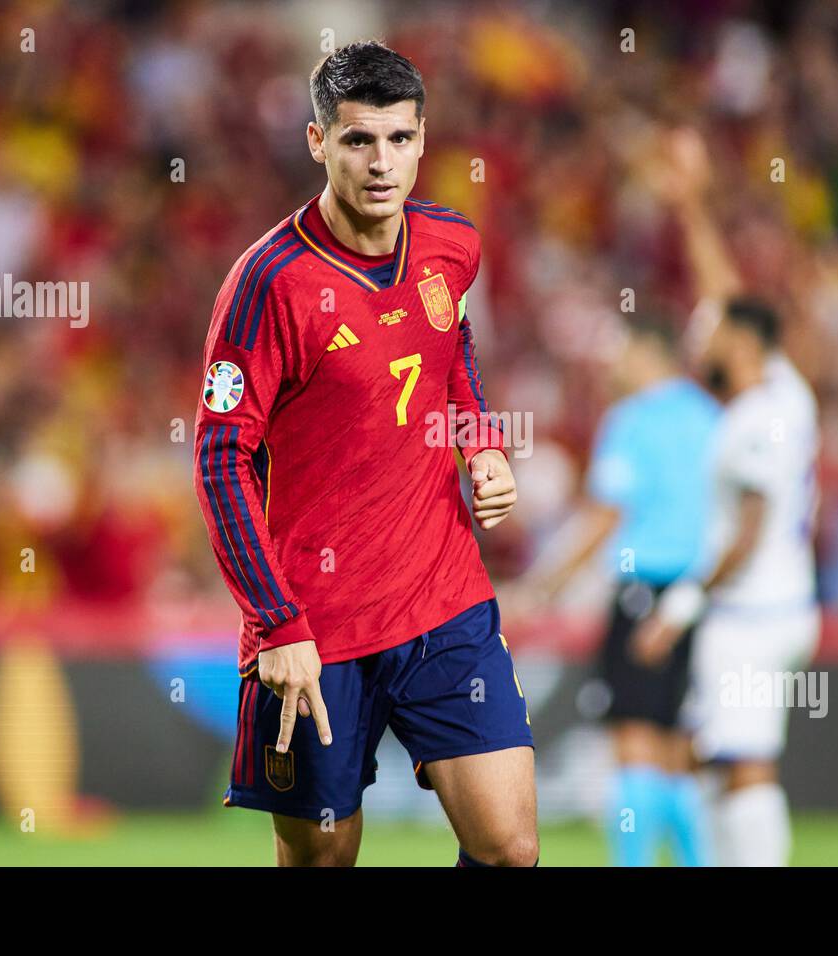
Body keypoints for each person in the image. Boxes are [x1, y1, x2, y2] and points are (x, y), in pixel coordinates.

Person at [192, 40, 536, 867]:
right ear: (319, 143)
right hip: (315, 625)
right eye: (357, 141)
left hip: (441, 598)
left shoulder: (452, 244)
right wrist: (276, 623)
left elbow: (452, 343)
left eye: (398, 140)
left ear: (423, 139)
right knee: (322, 860)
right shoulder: (267, 285)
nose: (381, 163)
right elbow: (219, 459)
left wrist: (480, 440)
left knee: (511, 847)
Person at [633, 130, 821, 866]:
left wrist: (678, 608)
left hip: (750, 612)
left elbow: (746, 532)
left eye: (711, 336)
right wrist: (691, 209)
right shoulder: (787, 394)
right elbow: (728, 297)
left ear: (739, 347)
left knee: (743, 765)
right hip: (777, 604)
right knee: (704, 756)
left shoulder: (750, 422)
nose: (698, 343)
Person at [515, 316, 720, 865]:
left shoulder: (631, 421)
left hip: (644, 593)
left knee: (634, 744)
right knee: (677, 748)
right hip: (698, 597)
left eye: (623, 350)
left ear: (650, 352)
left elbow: (606, 515)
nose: (614, 362)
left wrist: (544, 585)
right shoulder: (710, 416)